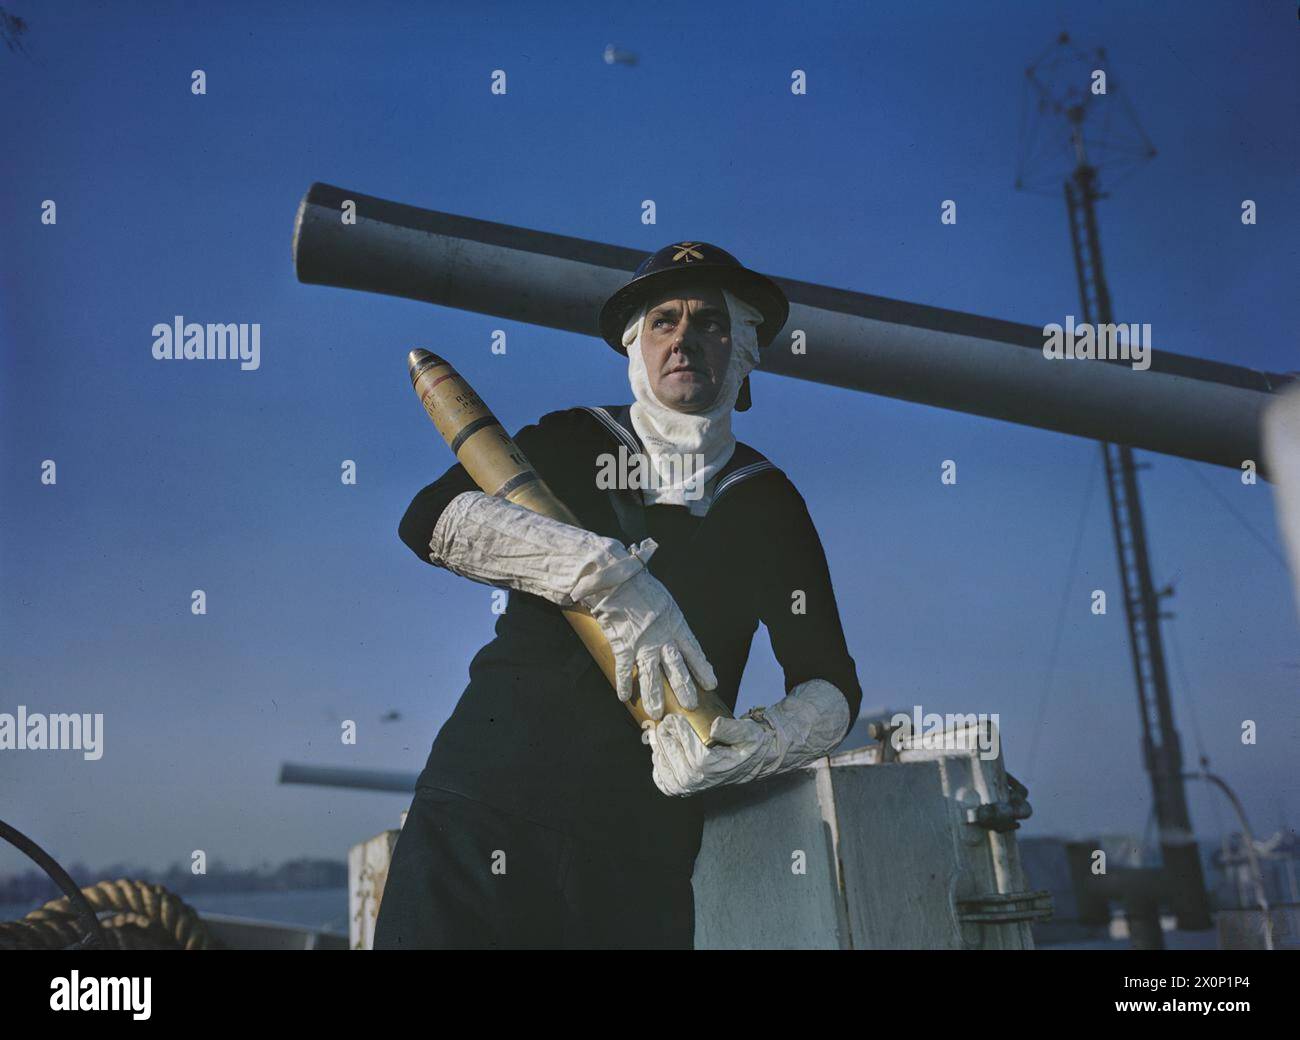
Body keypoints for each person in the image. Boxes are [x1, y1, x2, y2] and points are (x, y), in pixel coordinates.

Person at [373, 242, 863, 949]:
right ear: (637, 343)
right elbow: (430, 520)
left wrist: (760, 743)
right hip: (485, 807)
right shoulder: (572, 439)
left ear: (744, 348)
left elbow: (831, 683)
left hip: (639, 852)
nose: (684, 339)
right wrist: (605, 575)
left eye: (710, 322)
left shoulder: (769, 503)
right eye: (664, 320)